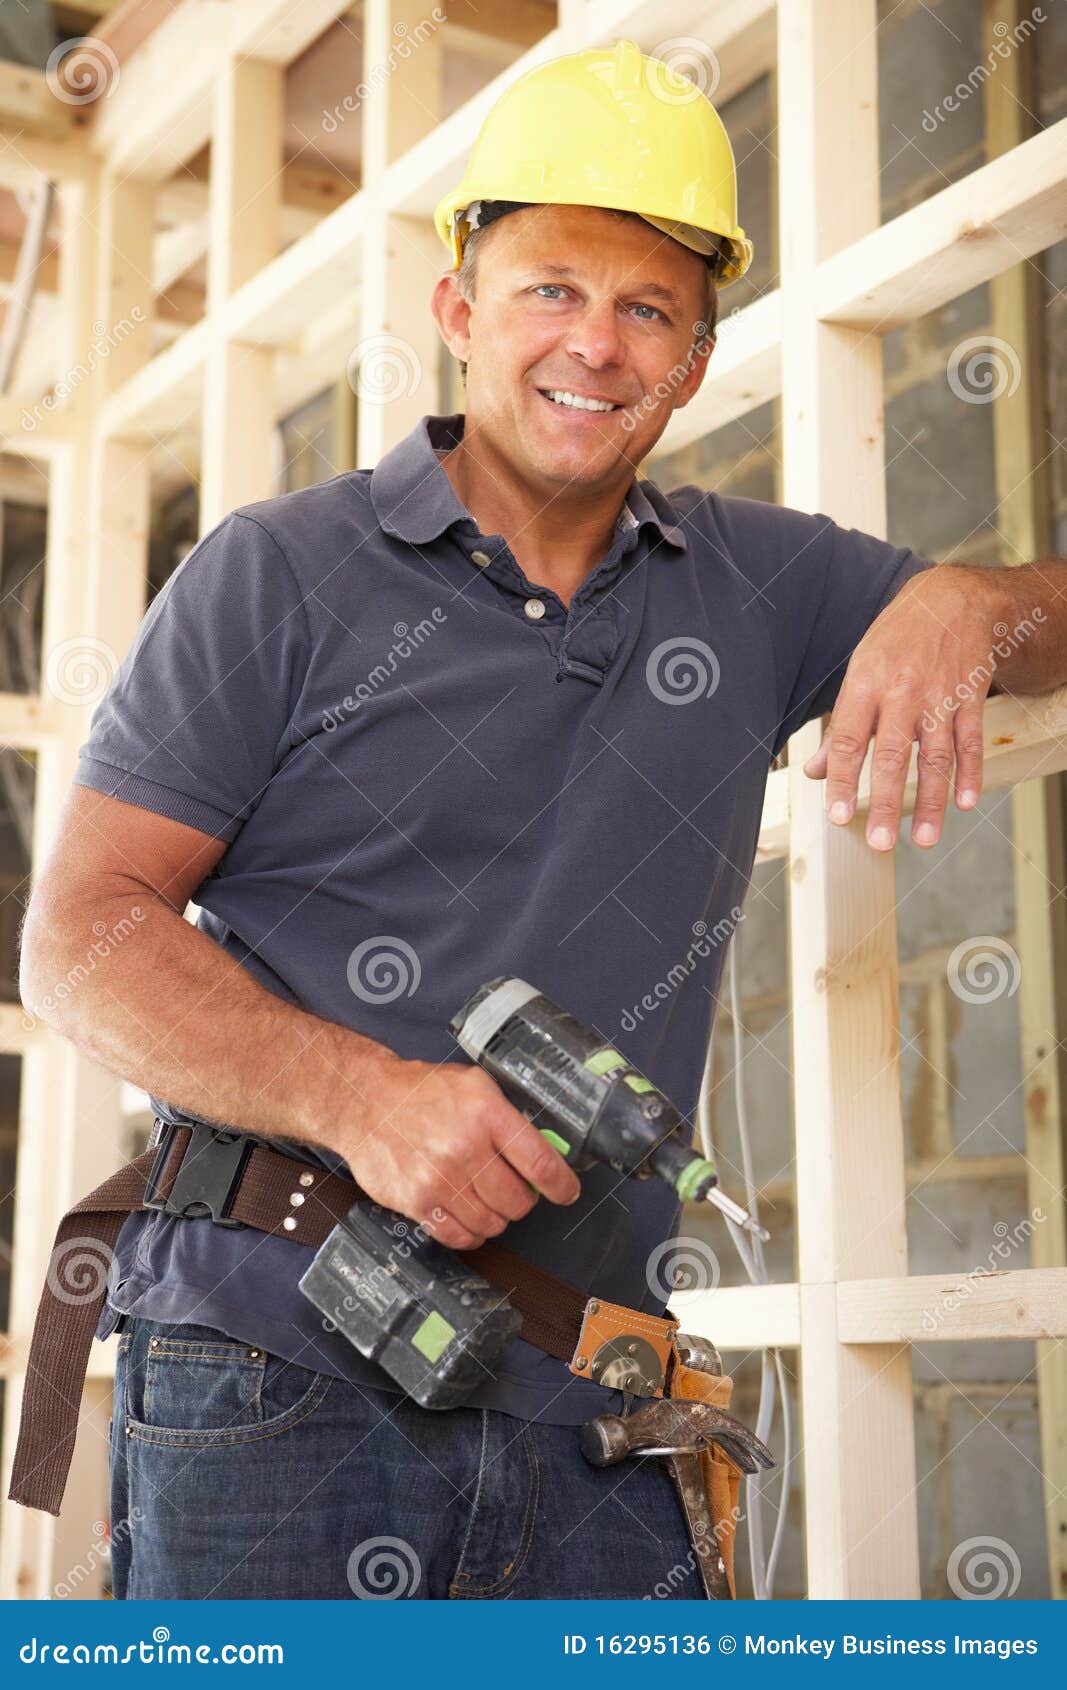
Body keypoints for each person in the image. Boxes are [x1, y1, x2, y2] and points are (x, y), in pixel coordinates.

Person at [15, 40, 1062, 1601]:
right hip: (273, 1372)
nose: (598, 344)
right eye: (551, 291)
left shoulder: (759, 586)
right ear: (457, 310)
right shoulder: (278, 571)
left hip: (597, 1414)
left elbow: (1050, 624)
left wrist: (964, 603)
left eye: (650, 309)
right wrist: (365, 1097)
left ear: (697, 360)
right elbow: (80, 937)